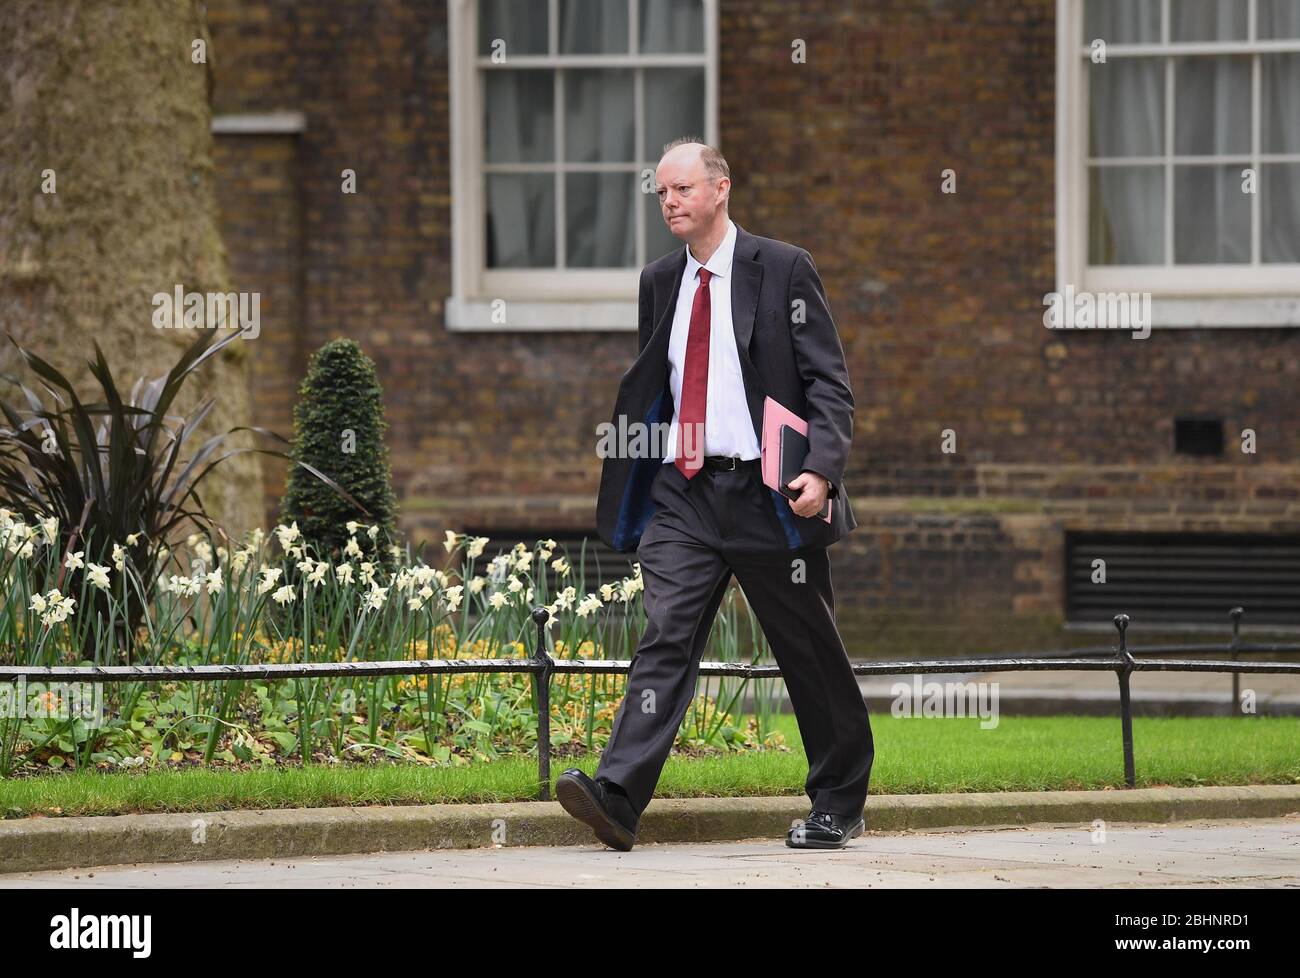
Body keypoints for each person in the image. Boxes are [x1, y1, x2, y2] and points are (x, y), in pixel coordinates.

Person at [557, 138, 873, 851]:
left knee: (808, 650)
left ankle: (839, 802)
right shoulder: (659, 280)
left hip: (769, 493)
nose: (669, 201)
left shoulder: (785, 268)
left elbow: (830, 382)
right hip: (685, 493)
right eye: (661, 193)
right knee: (665, 634)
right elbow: (658, 386)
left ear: (721, 188)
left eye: (682, 189)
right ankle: (617, 796)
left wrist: (821, 471)